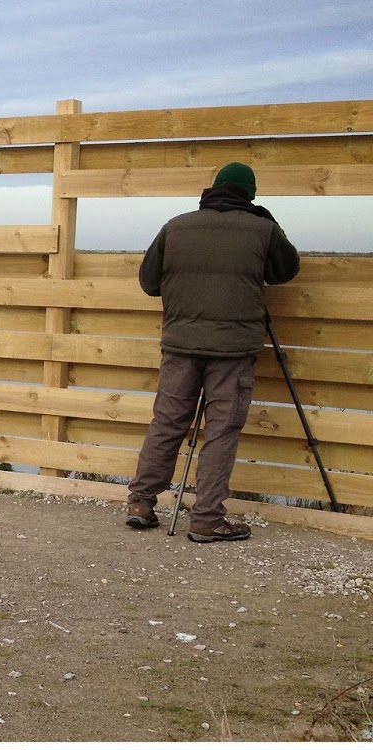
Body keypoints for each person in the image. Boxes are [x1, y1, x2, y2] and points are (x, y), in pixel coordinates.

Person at [125, 161, 300, 542]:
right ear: (249, 194)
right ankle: (206, 520)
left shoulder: (175, 226)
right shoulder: (262, 228)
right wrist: (268, 223)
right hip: (233, 350)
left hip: (180, 345)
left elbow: (149, 282)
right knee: (221, 430)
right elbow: (285, 271)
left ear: (213, 189)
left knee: (167, 422)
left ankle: (141, 502)